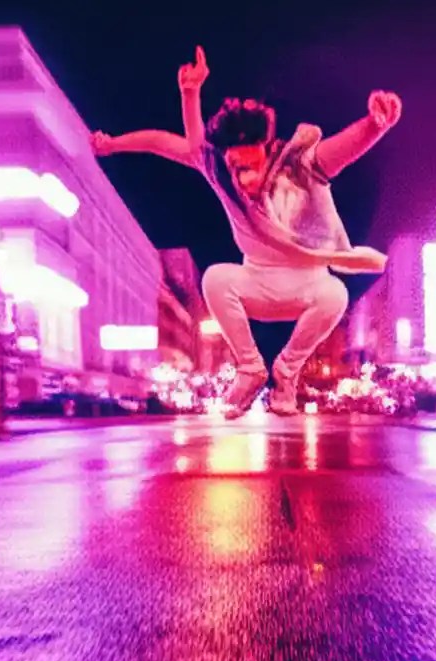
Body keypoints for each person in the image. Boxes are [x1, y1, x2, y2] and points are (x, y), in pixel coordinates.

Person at [92, 46, 400, 419]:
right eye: (238, 168)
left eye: (252, 166)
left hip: (307, 283)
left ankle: (286, 373)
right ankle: (251, 368)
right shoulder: (220, 171)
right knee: (216, 278)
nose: (246, 179)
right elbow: (167, 143)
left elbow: (340, 151)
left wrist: (375, 125)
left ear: (268, 150)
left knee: (335, 293)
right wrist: (121, 139)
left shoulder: (299, 165)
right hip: (257, 281)